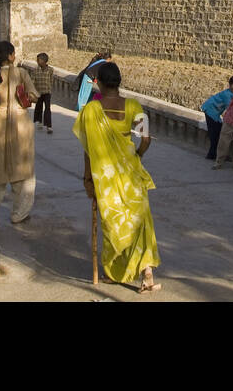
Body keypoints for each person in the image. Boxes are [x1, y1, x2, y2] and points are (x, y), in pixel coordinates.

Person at [73, 62, 161, 293]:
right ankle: (147, 272)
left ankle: (114, 272)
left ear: (99, 83)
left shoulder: (91, 110)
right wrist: (137, 156)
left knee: (112, 224)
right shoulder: (134, 106)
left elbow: (88, 149)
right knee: (141, 223)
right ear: (119, 82)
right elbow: (146, 139)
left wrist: (87, 179)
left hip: (105, 178)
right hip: (131, 173)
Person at [0, 40, 39, 224]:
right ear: (10, 56)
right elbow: (34, 95)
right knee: (24, 174)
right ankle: (19, 213)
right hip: (20, 126)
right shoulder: (20, 73)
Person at [200, 75, 233, 160]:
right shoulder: (226, 94)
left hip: (215, 113)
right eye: (231, 85)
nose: (232, 87)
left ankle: (219, 154)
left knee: (219, 133)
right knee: (214, 134)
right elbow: (230, 108)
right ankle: (212, 155)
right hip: (210, 111)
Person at [30, 52, 55, 134]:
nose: (37, 61)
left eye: (39, 60)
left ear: (44, 61)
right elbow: (32, 81)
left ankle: (49, 126)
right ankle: (39, 121)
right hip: (38, 92)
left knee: (47, 108)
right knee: (39, 107)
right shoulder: (35, 70)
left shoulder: (50, 70)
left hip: (47, 92)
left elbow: (51, 80)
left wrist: (50, 88)